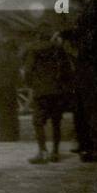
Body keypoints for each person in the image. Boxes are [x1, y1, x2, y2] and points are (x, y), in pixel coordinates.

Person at [60, 0, 97, 161]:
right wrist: (64, 34)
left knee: (95, 110)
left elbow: (94, 41)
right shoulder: (90, 7)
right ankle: (91, 146)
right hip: (89, 69)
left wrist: (76, 52)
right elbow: (80, 30)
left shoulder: (95, 9)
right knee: (88, 109)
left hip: (93, 69)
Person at [22, 30, 71, 164]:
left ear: (38, 36)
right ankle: (55, 152)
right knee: (56, 122)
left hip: (40, 91)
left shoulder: (33, 50)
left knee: (38, 122)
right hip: (56, 91)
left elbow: (27, 70)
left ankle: (42, 152)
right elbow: (67, 69)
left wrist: (31, 84)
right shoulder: (58, 50)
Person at [0, 22, 21, 142]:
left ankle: (5, 135)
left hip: (1, 82)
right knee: (11, 109)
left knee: (3, 110)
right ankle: (14, 134)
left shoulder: (1, 46)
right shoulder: (12, 46)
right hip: (10, 82)